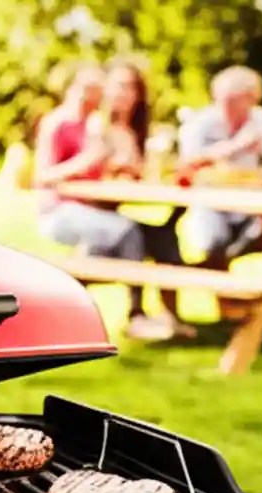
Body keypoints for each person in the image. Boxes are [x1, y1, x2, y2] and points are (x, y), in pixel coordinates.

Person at [32, 62, 184, 340]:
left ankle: (172, 317)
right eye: (85, 90)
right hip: (59, 211)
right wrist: (86, 161)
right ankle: (135, 316)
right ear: (72, 88)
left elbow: (99, 171)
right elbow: (42, 177)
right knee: (126, 232)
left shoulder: (92, 126)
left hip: (93, 210)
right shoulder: (58, 123)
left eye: (95, 92)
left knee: (162, 236)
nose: (89, 98)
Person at [177, 66, 262, 271]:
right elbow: (186, 165)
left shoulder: (260, 121)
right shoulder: (201, 123)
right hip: (212, 202)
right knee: (214, 242)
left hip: (250, 203)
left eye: (234, 100)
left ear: (252, 99)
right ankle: (218, 280)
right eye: (223, 100)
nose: (226, 107)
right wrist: (234, 147)